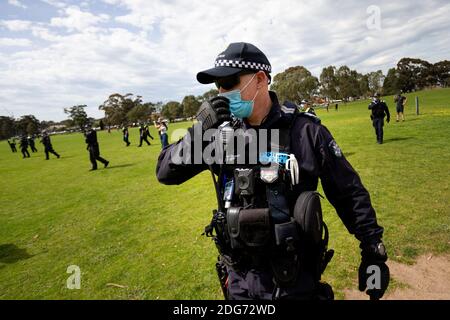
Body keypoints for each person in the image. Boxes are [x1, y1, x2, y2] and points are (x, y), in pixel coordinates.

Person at [156, 42, 389, 300]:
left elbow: (348, 193)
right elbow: (166, 172)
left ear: (260, 79)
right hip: (239, 282)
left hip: (295, 280)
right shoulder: (219, 136)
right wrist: (199, 133)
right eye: (217, 86)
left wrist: (373, 251)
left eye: (230, 82)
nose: (221, 93)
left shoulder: (306, 132)